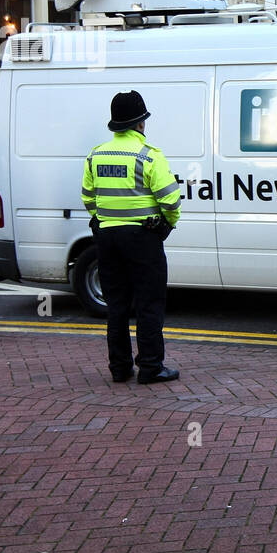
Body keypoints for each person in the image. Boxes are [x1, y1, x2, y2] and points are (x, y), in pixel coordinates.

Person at [82, 91, 182, 384]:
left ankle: (120, 368)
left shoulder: (96, 155)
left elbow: (88, 197)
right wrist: (168, 224)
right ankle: (151, 367)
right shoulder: (149, 155)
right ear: (140, 124)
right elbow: (170, 200)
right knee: (149, 303)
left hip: (107, 238)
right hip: (143, 237)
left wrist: (103, 219)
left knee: (117, 305)